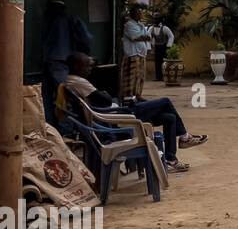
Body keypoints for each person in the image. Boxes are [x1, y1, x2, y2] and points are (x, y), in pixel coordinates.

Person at [61, 52, 207, 174]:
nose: (90, 69)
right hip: (119, 116)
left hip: (116, 113)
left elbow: (101, 98)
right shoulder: (78, 81)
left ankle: (170, 159)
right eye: (86, 65)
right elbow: (104, 100)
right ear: (76, 66)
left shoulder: (73, 80)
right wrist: (105, 94)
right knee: (165, 101)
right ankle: (184, 137)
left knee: (169, 117)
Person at [41, 0, 93, 124]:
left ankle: (50, 126)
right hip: (62, 62)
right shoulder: (71, 19)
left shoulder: (46, 20)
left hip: (48, 61)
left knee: (48, 98)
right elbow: (87, 39)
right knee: (65, 97)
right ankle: (66, 128)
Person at [120, 3, 151, 101]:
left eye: (141, 13)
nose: (141, 14)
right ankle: (129, 97)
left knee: (140, 77)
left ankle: (138, 95)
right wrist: (143, 37)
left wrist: (143, 37)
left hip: (141, 54)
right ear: (133, 14)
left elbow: (148, 37)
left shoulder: (141, 25)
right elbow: (136, 37)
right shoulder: (129, 25)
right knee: (131, 77)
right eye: (139, 13)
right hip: (133, 54)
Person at [150, 13, 175, 82]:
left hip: (164, 47)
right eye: (154, 18)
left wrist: (169, 46)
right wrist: (150, 46)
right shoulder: (151, 28)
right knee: (157, 62)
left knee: (163, 62)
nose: (155, 20)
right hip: (157, 47)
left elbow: (171, 36)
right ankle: (158, 77)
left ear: (160, 20)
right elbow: (148, 37)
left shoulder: (164, 28)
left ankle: (164, 76)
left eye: (157, 19)